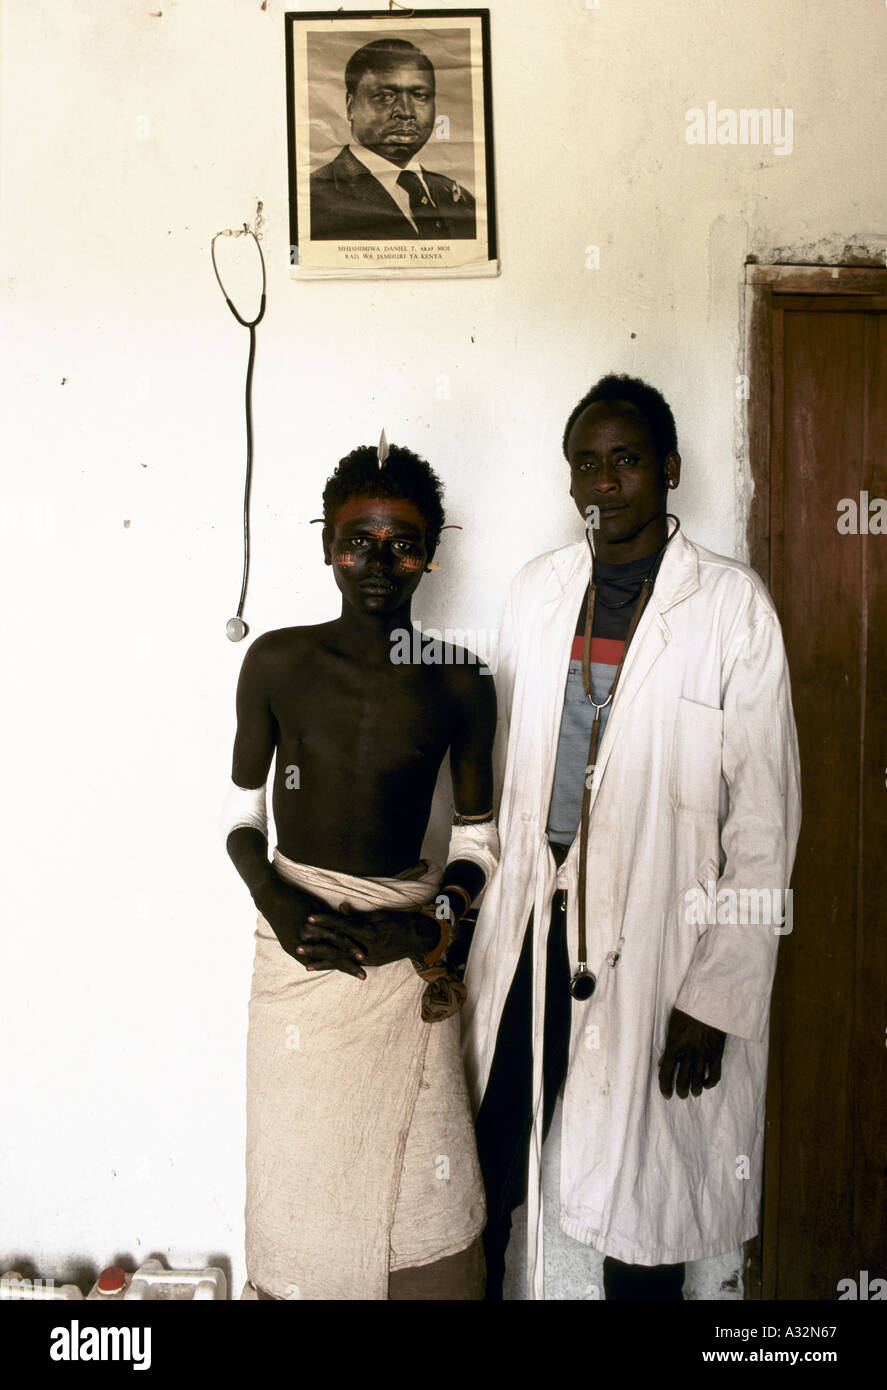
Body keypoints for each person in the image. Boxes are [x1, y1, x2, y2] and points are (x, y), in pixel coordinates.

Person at [462, 374, 802, 1300]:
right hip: (538, 917)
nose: (601, 482)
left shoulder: (731, 608)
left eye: (623, 460)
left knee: (646, 1195)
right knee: (489, 1161)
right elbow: (502, 780)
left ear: (669, 471)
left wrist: (720, 994)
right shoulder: (538, 593)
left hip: (666, 937)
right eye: (585, 463)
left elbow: (765, 825)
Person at [224, 442, 498, 1300]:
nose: (379, 564)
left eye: (403, 544)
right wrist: (278, 901)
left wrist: (424, 927)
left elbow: (479, 847)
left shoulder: (460, 681)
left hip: (405, 968)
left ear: (432, 552)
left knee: (432, 1220)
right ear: (325, 546)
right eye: (358, 542)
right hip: (297, 964)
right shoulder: (276, 661)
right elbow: (239, 819)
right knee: (298, 1202)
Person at [310, 38, 476, 241]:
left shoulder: (459, 198)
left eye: (420, 95)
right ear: (350, 106)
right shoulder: (314, 199)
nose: (406, 112)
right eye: (385, 96)